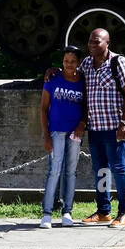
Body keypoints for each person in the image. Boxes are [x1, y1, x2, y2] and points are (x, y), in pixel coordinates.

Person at [78, 28, 125, 228]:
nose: (92, 45)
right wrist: (53, 72)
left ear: (107, 43)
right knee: (100, 170)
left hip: (115, 127)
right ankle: (103, 211)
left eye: (97, 42)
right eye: (90, 41)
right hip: (95, 127)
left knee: (119, 168)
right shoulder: (86, 63)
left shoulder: (118, 62)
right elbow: (71, 76)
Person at [40, 46, 86, 228]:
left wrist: (83, 124)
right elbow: (44, 108)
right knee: (54, 170)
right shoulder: (52, 79)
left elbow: (86, 106)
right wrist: (46, 135)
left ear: (79, 62)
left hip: (75, 132)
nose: (69, 64)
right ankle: (47, 213)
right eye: (66, 61)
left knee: (71, 172)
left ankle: (67, 211)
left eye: (73, 61)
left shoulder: (83, 81)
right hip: (56, 131)